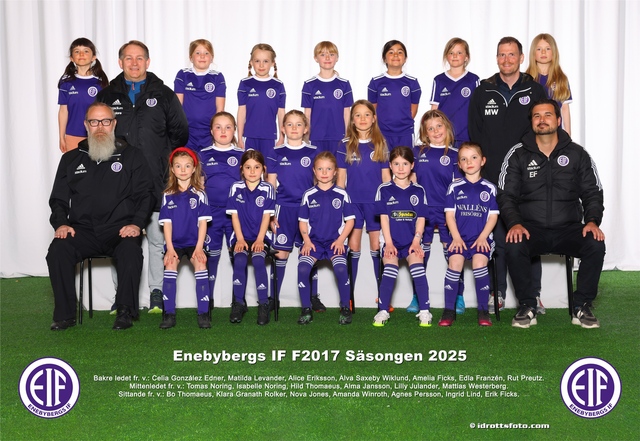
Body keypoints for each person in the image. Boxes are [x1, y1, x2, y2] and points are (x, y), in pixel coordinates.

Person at [96, 40, 189, 314]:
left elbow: (180, 132)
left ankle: (157, 293)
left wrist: (160, 158)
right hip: (120, 184)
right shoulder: (107, 95)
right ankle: (122, 296)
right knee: (122, 242)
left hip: (156, 181)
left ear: (148, 62)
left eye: (139, 58)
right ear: (120, 62)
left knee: (158, 241)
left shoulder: (163, 93)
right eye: (128, 58)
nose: (134, 63)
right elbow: (98, 133)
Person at [498, 99, 605, 329]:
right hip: (531, 228)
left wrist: (592, 221)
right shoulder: (517, 154)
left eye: (547, 115)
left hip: (569, 228)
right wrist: (515, 223)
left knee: (595, 243)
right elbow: (506, 195)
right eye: (537, 116)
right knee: (514, 244)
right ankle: (527, 306)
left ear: (558, 120)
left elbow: (593, 192)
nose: (542, 120)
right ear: (531, 122)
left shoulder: (577, 153)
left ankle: (582, 306)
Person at [47, 102, 155, 330]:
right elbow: (58, 199)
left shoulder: (132, 155)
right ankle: (65, 315)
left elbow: (146, 194)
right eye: (94, 122)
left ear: (114, 124)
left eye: (105, 121)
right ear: (86, 125)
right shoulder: (70, 159)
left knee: (130, 251)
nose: (100, 127)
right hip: (82, 231)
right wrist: (61, 224)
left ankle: (125, 311)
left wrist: (136, 224)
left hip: (119, 230)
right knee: (58, 250)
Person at [467, 36, 546, 313]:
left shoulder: (535, 90)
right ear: (496, 58)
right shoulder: (483, 90)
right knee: (498, 239)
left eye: (512, 54)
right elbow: (474, 133)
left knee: (528, 237)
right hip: (492, 177)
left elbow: (542, 131)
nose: (506, 59)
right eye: (502, 54)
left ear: (521, 58)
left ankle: (532, 295)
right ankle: (496, 293)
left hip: (526, 177)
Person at [408, 110, 463, 314]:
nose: (436, 131)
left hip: (447, 211)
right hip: (423, 211)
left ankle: (458, 296)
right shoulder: (417, 152)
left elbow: (459, 188)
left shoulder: (456, 154)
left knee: (454, 253)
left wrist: (455, 213)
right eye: (430, 128)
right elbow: (411, 182)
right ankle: (418, 296)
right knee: (419, 253)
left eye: (439, 126)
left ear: (446, 126)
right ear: (424, 133)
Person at [336, 100, 391, 301]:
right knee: (354, 247)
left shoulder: (381, 143)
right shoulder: (344, 145)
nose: (362, 119)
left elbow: (386, 178)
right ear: (352, 120)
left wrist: (389, 203)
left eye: (367, 114)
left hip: (375, 205)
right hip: (353, 204)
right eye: (357, 115)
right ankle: (348, 297)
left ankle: (383, 296)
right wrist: (340, 207)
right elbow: (340, 180)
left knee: (377, 247)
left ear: (374, 118)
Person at [440, 142, 499, 327]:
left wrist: (483, 237)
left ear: (482, 161)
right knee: (455, 263)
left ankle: (483, 312)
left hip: (481, 239)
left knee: (479, 263)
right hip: (459, 239)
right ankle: (448, 311)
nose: (469, 162)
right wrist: (456, 237)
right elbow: (449, 216)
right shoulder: (454, 187)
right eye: (464, 159)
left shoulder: (489, 188)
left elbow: (493, 217)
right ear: (459, 164)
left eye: (473, 158)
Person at [373, 146, 431, 327]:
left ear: (412, 165)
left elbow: (421, 218)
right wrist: (389, 243)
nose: (400, 168)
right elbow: (384, 219)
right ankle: (382, 311)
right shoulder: (384, 189)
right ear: (390, 165)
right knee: (390, 270)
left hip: (412, 241)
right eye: (396, 164)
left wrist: (416, 241)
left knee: (418, 271)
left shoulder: (419, 190)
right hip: (391, 241)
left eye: (405, 164)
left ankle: (425, 311)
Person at [266, 110, 319, 310]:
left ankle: (313, 297)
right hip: (284, 209)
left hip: (308, 210)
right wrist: (270, 214)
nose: (294, 128)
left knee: (310, 252)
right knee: (280, 254)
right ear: (283, 128)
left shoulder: (314, 151)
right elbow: (271, 185)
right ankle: (273, 298)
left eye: (299, 124)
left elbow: (319, 183)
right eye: (290, 124)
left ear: (305, 129)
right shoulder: (275, 152)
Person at [297, 152, 355, 325]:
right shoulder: (308, 194)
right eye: (320, 169)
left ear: (335, 171)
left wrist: (341, 240)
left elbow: (350, 221)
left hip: (334, 243)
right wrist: (307, 241)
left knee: (341, 269)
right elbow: (302, 222)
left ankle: (345, 308)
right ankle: (306, 309)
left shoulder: (342, 194)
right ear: (314, 171)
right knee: (303, 269)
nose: (324, 172)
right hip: (314, 243)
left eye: (328, 169)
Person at [158, 148, 212, 329]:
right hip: (175, 243)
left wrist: (199, 247)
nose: (183, 170)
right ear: (172, 169)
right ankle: (169, 314)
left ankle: (203, 314)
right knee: (170, 264)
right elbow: (167, 224)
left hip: (194, 242)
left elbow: (203, 223)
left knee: (201, 264)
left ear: (194, 168)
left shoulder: (200, 194)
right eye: (178, 166)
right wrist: (170, 249)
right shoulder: (167, 195)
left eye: (187, 166)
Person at [199, 112, 244, 310]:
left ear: (234, 130)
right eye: (218, 127)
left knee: (239, 256)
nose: (223, 131)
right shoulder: (203, 154)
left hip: (237, 214)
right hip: (212, 214)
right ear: (211, 131)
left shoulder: (242, 155)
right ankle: (207, 299)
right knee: (211, 255)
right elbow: (199, 186)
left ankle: (239, 301)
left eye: (228, 127)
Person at [226, 150, 276, 325]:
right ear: (241, 169)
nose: (252, 171)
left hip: (261, 236)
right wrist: (240, 239)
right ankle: (238, 303)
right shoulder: (235, 187)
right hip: (240, 236)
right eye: (248, 167)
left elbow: (266, 217)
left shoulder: (268, 189)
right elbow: (234, 216)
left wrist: (260, 239)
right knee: (240, 260)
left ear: (263, 169)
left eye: (256, 167)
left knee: (258, 259)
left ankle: (263, 304)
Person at [301, 41, 353, 155]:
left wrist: (348, 134)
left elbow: (347, 113)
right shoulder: (309, 85)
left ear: (337, 58)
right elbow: (307, 114)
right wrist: (306, 136)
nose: (327, 58)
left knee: (337, 165)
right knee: (318, 165)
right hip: (317, 137)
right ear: (316, 58)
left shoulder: (344, 84)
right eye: (323, 54)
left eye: (331, 54)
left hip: (338, 137)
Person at [57, 38, 109, 152]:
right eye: (77, 51)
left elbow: (106, 111)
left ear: (93, 57)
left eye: (86, 51)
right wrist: (61, 136)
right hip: (73, 134)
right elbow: (63, 111)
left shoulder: (100, 83)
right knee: (74, 163)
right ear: (71, 58)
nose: (81, 54)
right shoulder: (66, 82)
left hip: (96, 134)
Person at [367, 40, 421, 149]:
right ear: (384, 58)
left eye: (400, 52)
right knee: (383, 160)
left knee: (404, 159)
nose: (395, 55)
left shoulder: (412, 82)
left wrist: (402, 125)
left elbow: (413, 109)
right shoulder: (376, 82)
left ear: (405, 58)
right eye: (391, 52)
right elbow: (372, 109)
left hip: (405, 133)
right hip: (382, 132)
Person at [174, 39, 226, 150]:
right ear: (191, 57)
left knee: (206, 161)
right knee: (188, 160)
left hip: (208, 132)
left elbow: (220, 109)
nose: (202, 56)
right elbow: (177, 106)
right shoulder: (183, 75)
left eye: (206, 53)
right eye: (198, 53)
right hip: (187, 131)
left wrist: (216, 129)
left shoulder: (217, 77)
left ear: (212, 58)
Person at [429, 37, 479, 148]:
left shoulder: (473, 80)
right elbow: (434, 110)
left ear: (466, 57)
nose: (455, 56)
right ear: (446, 56)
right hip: (445, 137)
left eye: (459, 52)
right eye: (451, 53)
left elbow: (479, 109)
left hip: (468, 136)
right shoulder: (439, 80)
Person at [237, 43, 286, 156]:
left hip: (270, 137)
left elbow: (281, 113)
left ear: (272, 63)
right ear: (251, 62)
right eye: (257, 61)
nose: (261, 65)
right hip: (249, 136)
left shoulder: (278, 85)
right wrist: (239, 137)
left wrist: (282, 137)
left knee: (269, 166)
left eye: (266, 61)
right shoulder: (245, 83)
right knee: (250, 165)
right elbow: (241, 111)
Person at [526, 33, 572, 136]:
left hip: (555, 134)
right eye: (539, 49)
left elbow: (564, 108)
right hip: (533, 134)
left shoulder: (561, 79)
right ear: (533, 53)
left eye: (547, 48)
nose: (543, 52)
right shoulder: (526, 79)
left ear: (554, 52)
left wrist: (568, 134)